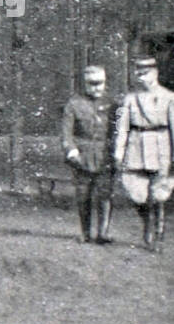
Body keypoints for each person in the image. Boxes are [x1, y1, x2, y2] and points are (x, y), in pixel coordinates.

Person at [113, 54, 174, 251]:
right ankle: (147, 222)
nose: (141, 77)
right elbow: (122, 128)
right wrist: (118, 152)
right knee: (136, 193)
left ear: (155, 73)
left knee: (159, 193)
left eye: (145, 73)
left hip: (160, 146)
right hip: (137, 147)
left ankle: (158, 235)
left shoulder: (169, 97)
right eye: (138, 73)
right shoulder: (130, 98)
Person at [61, 65, 117, 244]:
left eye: (100, 83)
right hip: (82, 156)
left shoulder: (113, 103)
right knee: (83, 195)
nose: (97, 88)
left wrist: (117, 151)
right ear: (84, 84)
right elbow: (66, 132)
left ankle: (103, 233)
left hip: (105, 155)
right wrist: (71, 150)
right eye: (92, 84)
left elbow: (119, 130)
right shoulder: (74, 103)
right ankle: (85, 233)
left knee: (105, 194)